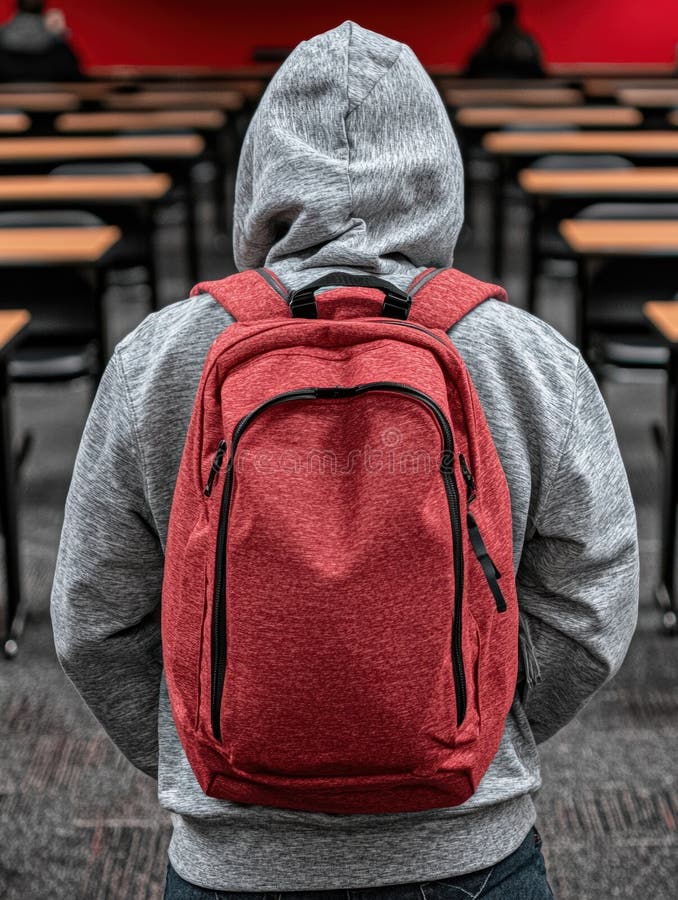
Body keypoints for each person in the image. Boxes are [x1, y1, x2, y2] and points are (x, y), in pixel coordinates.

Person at [50, 20, 638, 899]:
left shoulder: (161, 356)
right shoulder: (526, 355)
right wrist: (471, 722)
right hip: (470, 856)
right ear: (442, 171)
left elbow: (92, 619)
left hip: (229, 865)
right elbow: (593, 601)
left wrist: (206, 745)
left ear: (260, 175)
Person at [0, 0, 82, 82]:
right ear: (42, 8)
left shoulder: (2, 35)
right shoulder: (58, 43)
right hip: (52, 92)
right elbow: (73, 75)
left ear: (17, 8)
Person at [464, 2, 546, 78]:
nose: (488, 19)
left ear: (501, 18)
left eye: (494, 16)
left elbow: (476, 66)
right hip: (508, 88)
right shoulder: (526, 39)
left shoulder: (512, 41)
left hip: (506, 88)